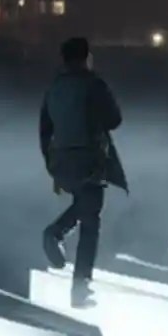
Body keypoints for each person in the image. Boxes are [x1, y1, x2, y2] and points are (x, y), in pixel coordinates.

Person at [40, 37, 126, 308]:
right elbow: (114, 119)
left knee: (85, 207)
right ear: (86, 57)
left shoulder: (53, 89)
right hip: (88, 160)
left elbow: (45, 130)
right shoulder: (93, 84)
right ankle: (78, 284)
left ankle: (78, 282)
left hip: (61, 162)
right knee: (91, 219)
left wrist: (52, 167)